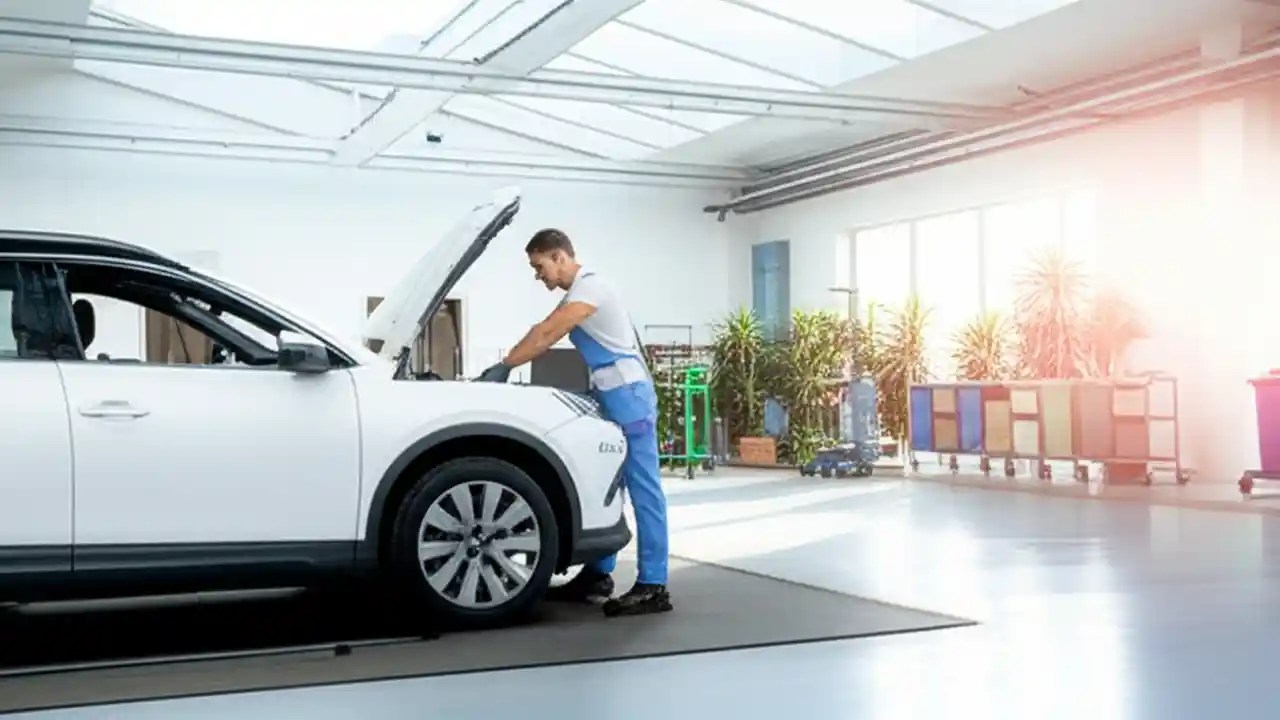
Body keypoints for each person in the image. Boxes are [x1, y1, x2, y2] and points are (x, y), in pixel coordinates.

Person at [478, 228, 672, 617]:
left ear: (560, 257)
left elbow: (547, 332)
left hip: (629, 396)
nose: (538, 275)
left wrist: (504, 366)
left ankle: (654, 584)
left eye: (539, 266)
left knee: (643, 489)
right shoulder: (580, 291)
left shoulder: (591, 288)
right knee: (609, 486)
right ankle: (598, 575)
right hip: (611, 394)